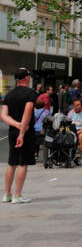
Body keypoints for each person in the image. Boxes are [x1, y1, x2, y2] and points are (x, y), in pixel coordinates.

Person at [1, 67, 38, 203]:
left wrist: (16, 125)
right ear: (26, 78)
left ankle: (7, 194)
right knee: (23, 163)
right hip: (25, 132)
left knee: (12, 163)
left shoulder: (9, 95)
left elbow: (3, 115)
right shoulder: (30, 93)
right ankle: (17, 195)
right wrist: (22, 131)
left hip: (12, 131)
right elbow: (27, 112)